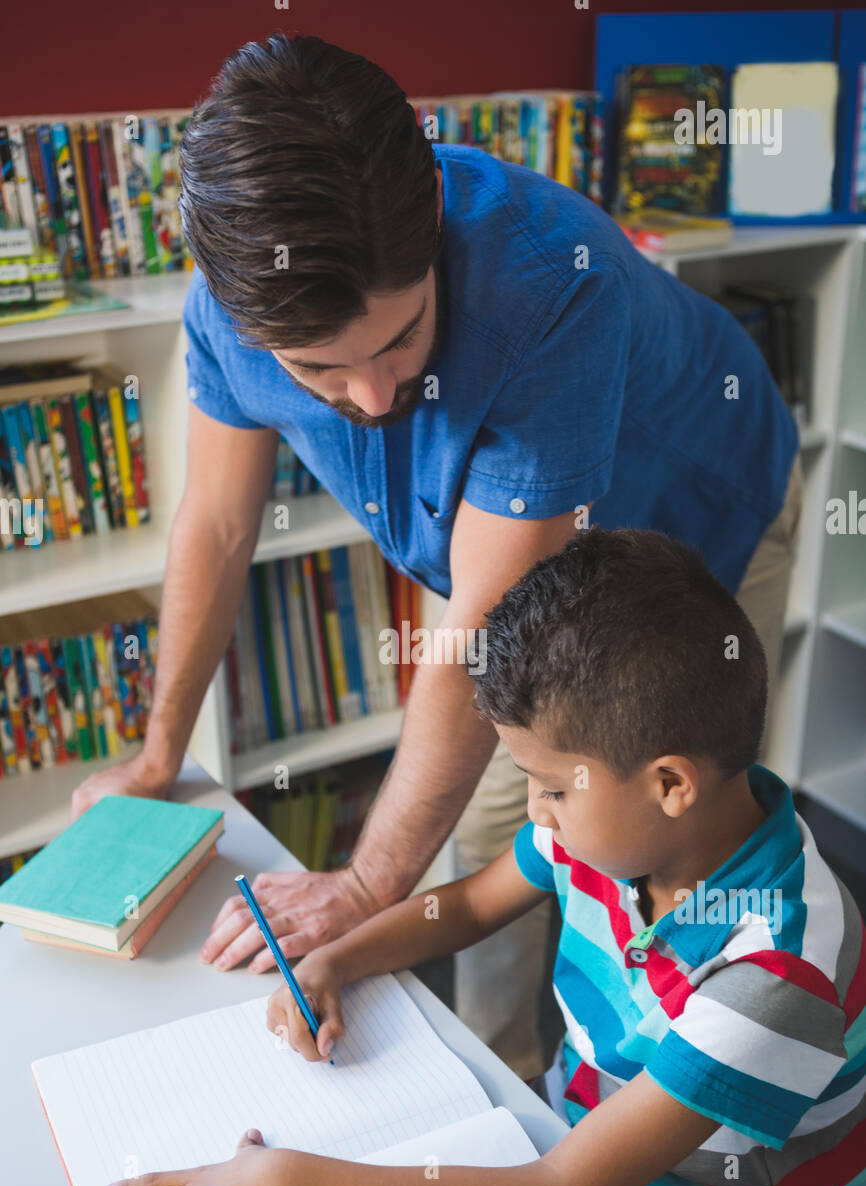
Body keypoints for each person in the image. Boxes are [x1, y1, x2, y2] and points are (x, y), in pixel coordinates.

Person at [71, 33, 801, 1079]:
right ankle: (510, 1078)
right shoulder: (229, 307)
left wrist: (367, 887)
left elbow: (475, 631)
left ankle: (687, 1118)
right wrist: (156, 756)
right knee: (510, 820)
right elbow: (218, 525)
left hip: (702, 512)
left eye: (402, 338)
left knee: (675, 835)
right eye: (321, 367)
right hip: (535, 581)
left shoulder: (550, 287)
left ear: (432, 252)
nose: (372, 400)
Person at [81, 528, 865, 1186]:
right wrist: (338, 959)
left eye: (552, 787)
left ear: (669, 784)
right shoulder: (622, 830)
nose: (536, 813)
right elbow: (459, 908)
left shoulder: (776, 977)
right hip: (576, 1135)